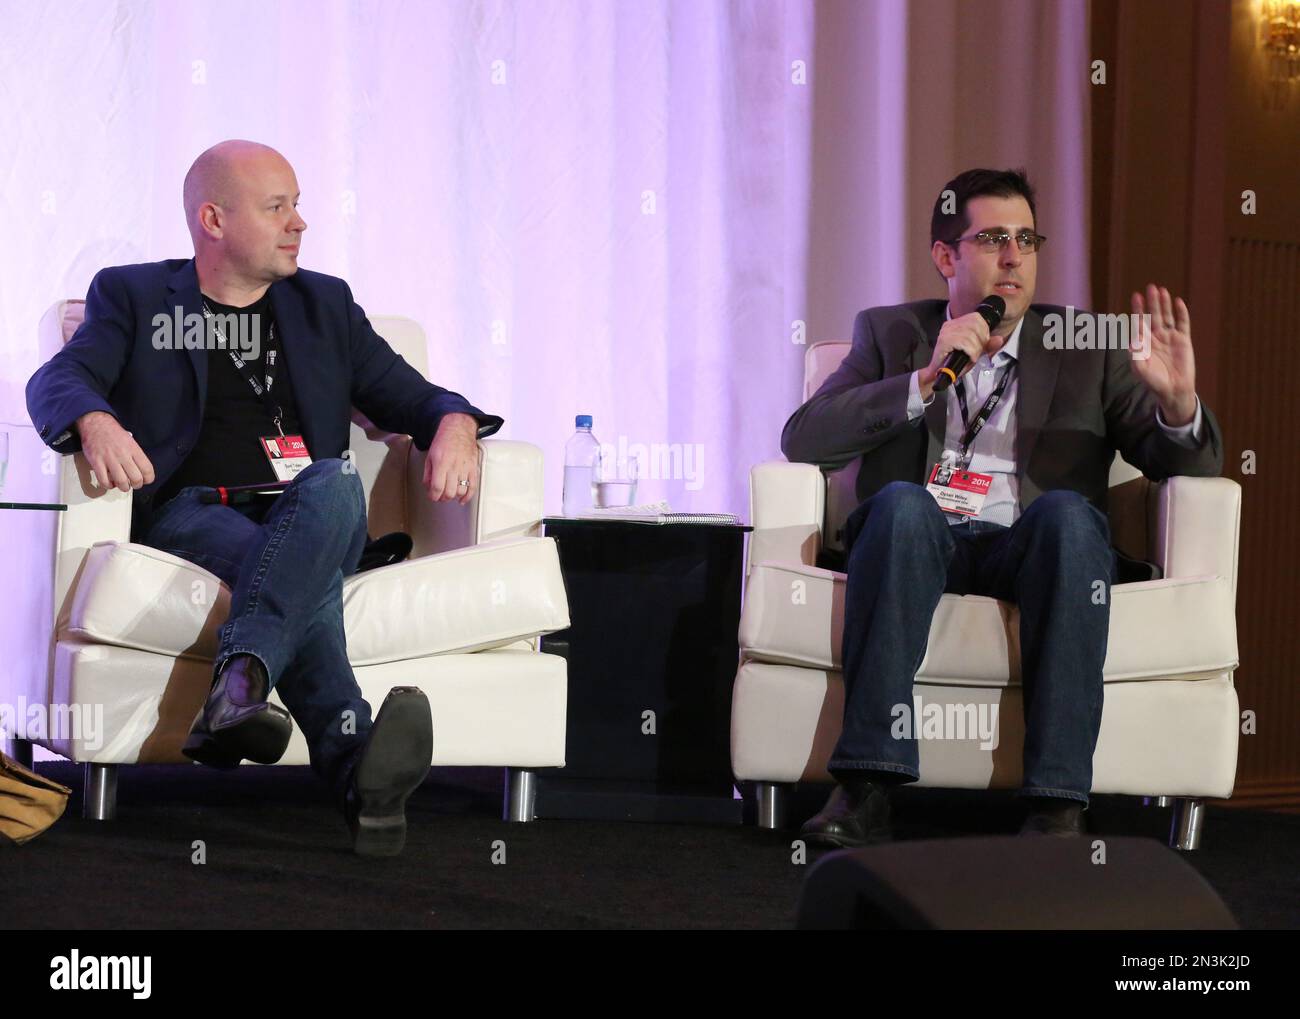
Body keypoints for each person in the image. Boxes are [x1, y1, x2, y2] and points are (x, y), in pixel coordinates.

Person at [26, 140, 503, 856]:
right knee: (294, 572)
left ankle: (239, 688)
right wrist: (94, 421)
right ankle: (356, 775)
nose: (300, 222)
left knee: (332, 481)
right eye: (278, 206)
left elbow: (416, 396)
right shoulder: (133, 296)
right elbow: (57, 382)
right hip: (192, 512)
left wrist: (457, 424)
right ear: (213, 220)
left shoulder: (325, 306)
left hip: (316, 509)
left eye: (299, 203)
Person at [781, 167, 1222, 846]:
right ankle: (866, 789)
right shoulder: (890, 332)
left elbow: (1190, 468)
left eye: (1026, 239)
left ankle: (1057, 806)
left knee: (1073, 517)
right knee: (898, 506)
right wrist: (921, 381)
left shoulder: (1087, 347)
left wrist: (1178, 405)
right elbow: (805, 439)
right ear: (946, 256)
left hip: (1030, 547)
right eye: (992, 239)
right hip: (921, 540)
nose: (1014, 257)